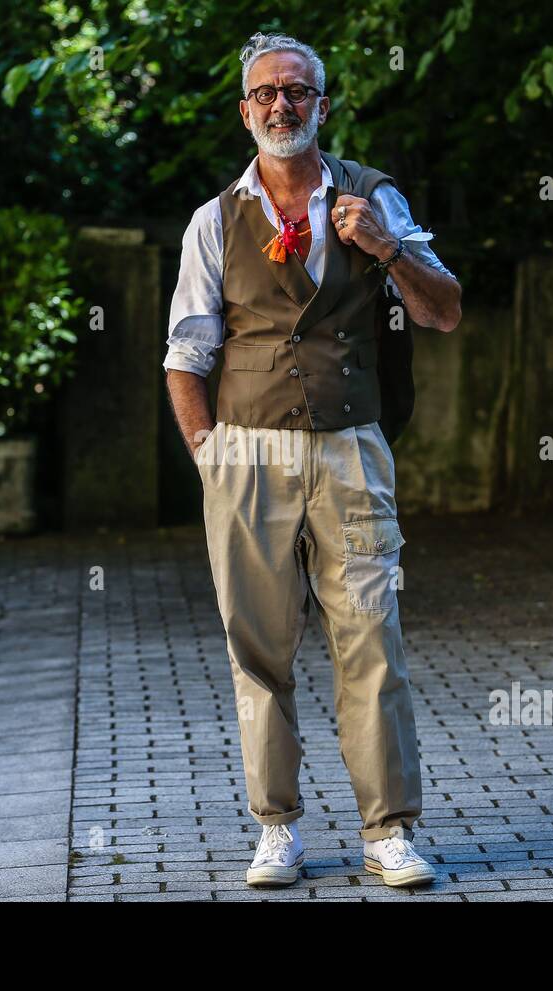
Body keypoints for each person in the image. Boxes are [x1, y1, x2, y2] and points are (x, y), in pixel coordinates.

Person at [162, 31, 461, 888]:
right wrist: (209, 456)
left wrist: (388, 249)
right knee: (257, 646)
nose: (281, 105)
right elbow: (186, 355)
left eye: (298, 91)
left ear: (322, 105)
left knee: (373, 636)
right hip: (245, 455)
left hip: (349, 449)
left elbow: (444, 312)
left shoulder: (374, 198)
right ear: (245, 111)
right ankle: (277, 827)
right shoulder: (214, 220)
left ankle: (389, 832)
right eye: (265, 93)